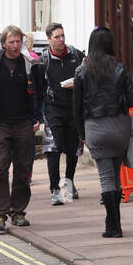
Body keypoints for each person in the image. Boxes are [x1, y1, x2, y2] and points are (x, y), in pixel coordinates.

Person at [0, 24, 44, 234]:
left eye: (19, 41)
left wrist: (37, 118)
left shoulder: (30, 63)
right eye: (12, 42)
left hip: (24, 121)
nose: (16, 45)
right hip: (0, 122)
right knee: (0, 166)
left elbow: (39, 91)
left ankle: (18, 211)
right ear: (3, 43)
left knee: (23, 168)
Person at [73, 27, 133, 239]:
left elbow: (77, 108)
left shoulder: (81, 71)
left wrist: (83, 135)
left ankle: (113, 225)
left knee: (106, 177)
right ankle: (113, 222)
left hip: (95, 128)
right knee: (115, 175)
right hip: (119, 127)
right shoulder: (120, 68)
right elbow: (132, 100)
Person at [41, 22, 84, 205]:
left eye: (62, 35)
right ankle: (54, 189)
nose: (61, 39)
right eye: (57, 37)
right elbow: (38, 86)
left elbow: (86, 74)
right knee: (54, 148)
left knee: (73, 148)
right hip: (53, 108)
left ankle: (69, 182)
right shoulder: (44, 59)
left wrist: (79, 84)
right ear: (49, 39)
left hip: (74, 107)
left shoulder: (75, 54)